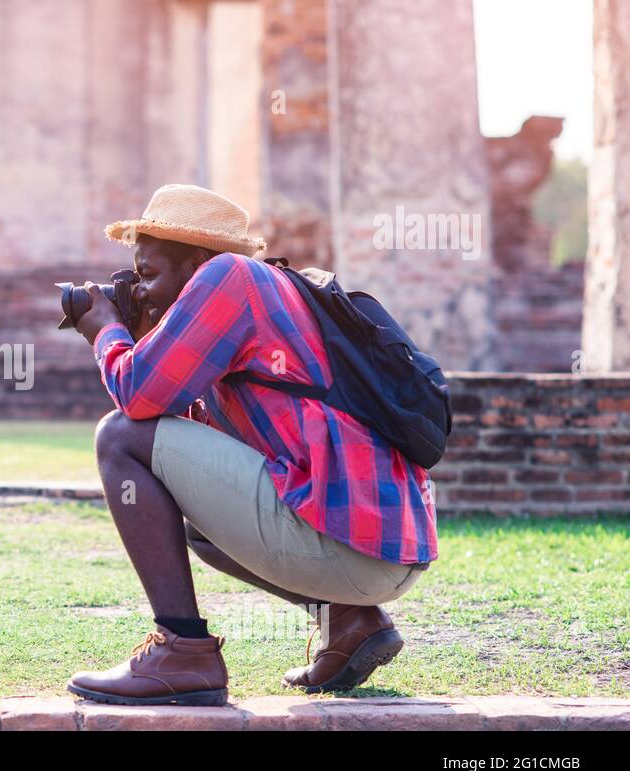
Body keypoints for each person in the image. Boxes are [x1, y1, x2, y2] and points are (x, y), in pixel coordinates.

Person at [65, 184, 436, 706]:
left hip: (357, 547)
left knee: (118, 437)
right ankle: (349, 620)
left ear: (197, 263)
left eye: (148, 274)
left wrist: (106, 331)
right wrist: (149, 329)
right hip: (387, 549)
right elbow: (182, 449)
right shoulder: (269, 290)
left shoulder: (227, 276)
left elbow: (136, 400)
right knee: (191, 515)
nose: (140, 290)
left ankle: (183, 650)